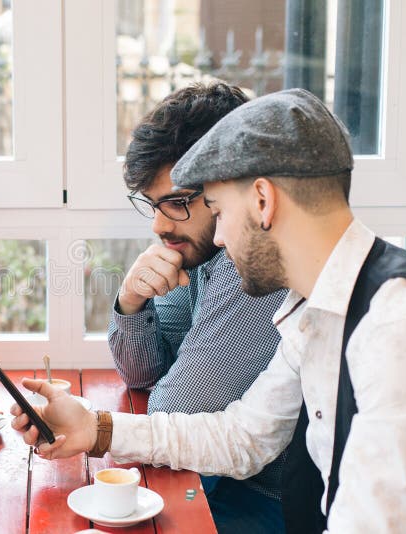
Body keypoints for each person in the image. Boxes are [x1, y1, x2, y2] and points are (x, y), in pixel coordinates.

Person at [12, 88, 406, 532]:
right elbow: (246, 436)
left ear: (262, 201)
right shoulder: (312, 305)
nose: (220, 238)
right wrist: (94, 428)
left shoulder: (396, 325)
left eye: (218, 211)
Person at [110, 83, 287, 532]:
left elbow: (173, 411)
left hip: (273, 502)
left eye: (176, 202)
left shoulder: (250, 264)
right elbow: (144, 374)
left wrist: (99, 429)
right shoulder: (199, 250)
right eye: (152, 204)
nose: (159, 224)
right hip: (223, 475)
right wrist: (131, 302)